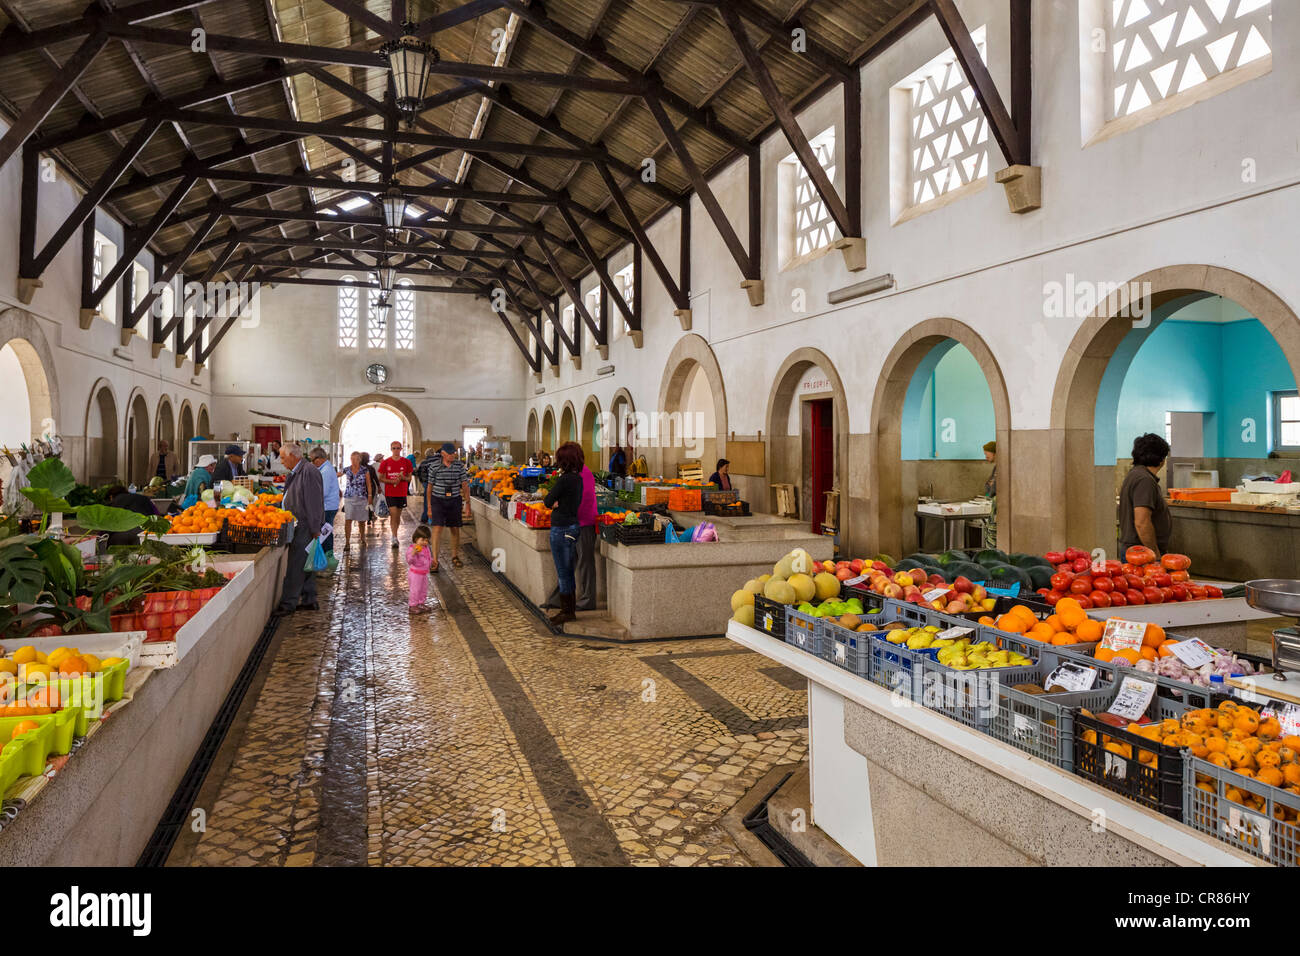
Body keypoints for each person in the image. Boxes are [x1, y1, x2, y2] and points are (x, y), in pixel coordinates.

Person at [542, 450, 598, 612]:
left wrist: (563, 507)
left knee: (585, 562)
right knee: (567, 563)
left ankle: (588, 600)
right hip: (573, 523)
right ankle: (558, 599)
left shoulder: (582, 474)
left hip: (584, 522)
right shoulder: (573, 475)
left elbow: (583, 499)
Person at [274, 442, 325, 616]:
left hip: (304, 525)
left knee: (296, 565)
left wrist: (315, 528)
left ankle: (288, 603)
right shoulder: (297, 472)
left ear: (293, 456)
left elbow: (314, 502)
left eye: (282, 457)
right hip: (299, 524)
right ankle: (310, 599)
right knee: (306, 563)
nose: (281, 461)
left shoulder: (309, 472)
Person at [1119, 432, 1173, 557]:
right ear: (1161, 459)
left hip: (1136, 550)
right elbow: (1142, 522)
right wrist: (1155, 554)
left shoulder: (1136, 474)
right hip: (1142, 554)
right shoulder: (1145, 480)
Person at [424, 442, 470, 571]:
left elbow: (465, 485)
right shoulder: (434, 466)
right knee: (437, 529)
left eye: (454, 452)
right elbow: (429, 487)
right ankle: (434, 560)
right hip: (438, 500)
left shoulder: (459, 466)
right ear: (443, 454)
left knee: (455, 528)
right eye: (450, 453)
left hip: (454, 500)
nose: (453, 455)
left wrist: (467, 505)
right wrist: (428, 507)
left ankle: (455, 556)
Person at [377, 441, 413, 547]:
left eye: (398, 448)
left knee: (398, 515)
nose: (396, 450)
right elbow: (381, 478)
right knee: (393, 514)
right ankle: (394, 537)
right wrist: (392, 481)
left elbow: (409, 478)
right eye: (394, 448)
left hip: (401, 493)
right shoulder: (386, 462)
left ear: (401, 449)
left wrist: (403, 478)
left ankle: (395, 533)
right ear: (391, 449)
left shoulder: (406, 462)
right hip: (390, 493)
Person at [310, 446, 340, 564]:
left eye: (313, 460)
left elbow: (323, 491)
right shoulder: (325, 468)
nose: (312, 463)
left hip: (327, 507)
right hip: (328, 506)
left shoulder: (326, 470)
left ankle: (328, 560)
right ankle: (326, 560)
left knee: (325, 534)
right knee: (325, 532)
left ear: (319, 458)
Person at [341, 451, 373, 550]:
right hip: (349, 497)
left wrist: (370, 497)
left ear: (359, 460)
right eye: (352, 459)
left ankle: (362, 537)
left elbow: (368, 484)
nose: (354, 461)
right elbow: (336, 475)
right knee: (348, 519)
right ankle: (347, 542)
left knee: (361, 520)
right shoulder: (347, 469)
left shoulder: (365, 470)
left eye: (355, 459)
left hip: (362, 497)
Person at [406, 525, 434, 613]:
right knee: (415, 589)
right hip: (415, 574)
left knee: (423, 589)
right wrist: (413, 553)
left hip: (424, 573)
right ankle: (413, 605)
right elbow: (409, 561)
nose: (424, 542)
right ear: (416, 538)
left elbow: (428, 557)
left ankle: (421, 603)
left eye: (426, 540)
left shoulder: (426, 548)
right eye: (422, 540)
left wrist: (432, 562)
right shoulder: (412, 549)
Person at [415, 446, 439, 523]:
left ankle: (425, 518)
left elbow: (418, 473)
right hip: (438, 484)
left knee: (427, 501)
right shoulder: (439, 461)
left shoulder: (423, 462)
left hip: (427, 483)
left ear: (426, 455)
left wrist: (423, 482)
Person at [981, 440, 997, 549]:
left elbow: (991, 489)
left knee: (993, 535)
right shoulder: (996, 468)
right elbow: (988, 486)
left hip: (997, 509)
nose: (985, 456)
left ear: (994, 453)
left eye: (987, 453)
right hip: (994, 507)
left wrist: (990, 486)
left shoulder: (1000, 468)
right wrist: (990, 485)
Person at [360, 451, 380, 529]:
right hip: (371, 487)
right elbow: (375, 478)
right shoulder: (371, 468)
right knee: (370, 502)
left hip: (361, 488)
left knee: (362, 503)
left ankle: (362, 518)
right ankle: (369, 517)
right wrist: (379, 487)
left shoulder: (358, 468)